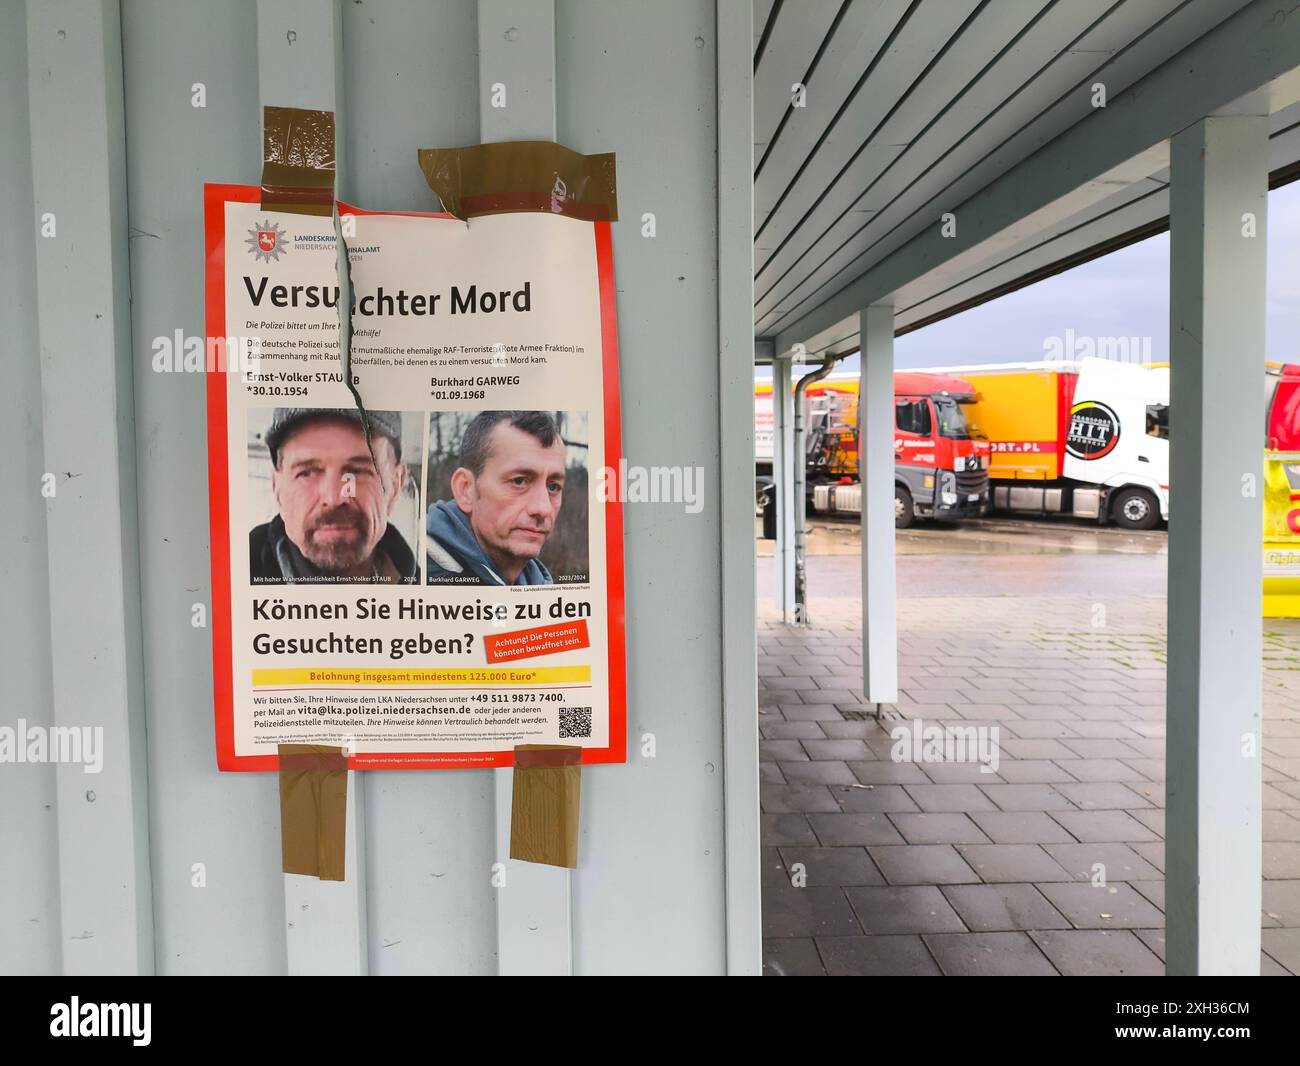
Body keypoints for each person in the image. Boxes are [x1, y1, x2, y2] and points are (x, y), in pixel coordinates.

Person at [250, 407, 417, 584]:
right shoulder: (231, 578)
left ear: (395, 485)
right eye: (307, 473)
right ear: (278, 490)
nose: (333, 498)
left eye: (357, 471)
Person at [426, 411, 565, 585]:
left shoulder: (545, 593)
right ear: (465, 489)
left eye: (553, 487)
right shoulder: (412, 573)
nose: (543, 509)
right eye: (519, 481)